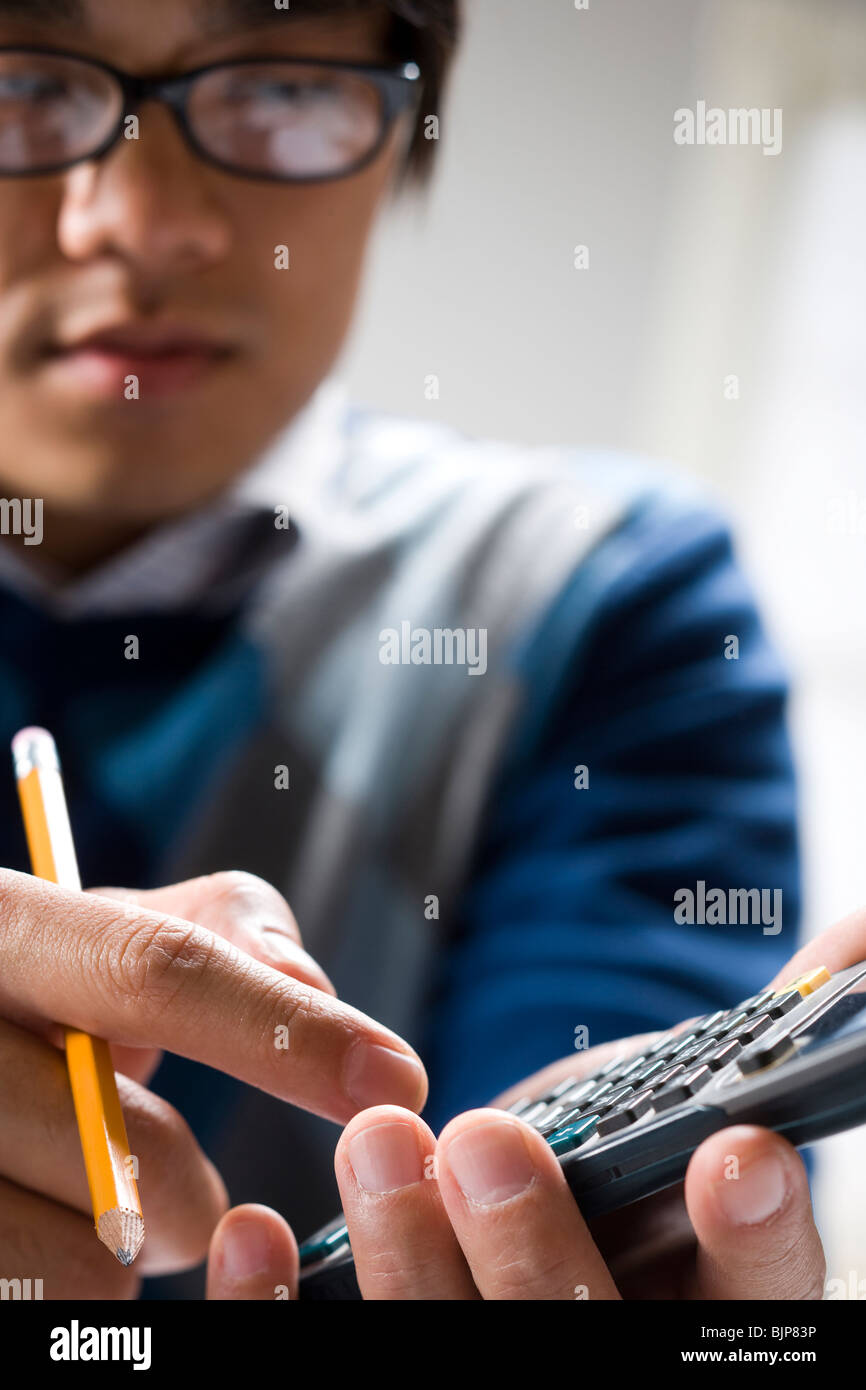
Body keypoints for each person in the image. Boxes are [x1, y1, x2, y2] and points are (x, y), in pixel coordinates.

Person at [0, 0, 800, 1299]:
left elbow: (616, 1146)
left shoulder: (604, 591)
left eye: (275, 84)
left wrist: (638, 1213)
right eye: (23, 81)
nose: (141, 221)